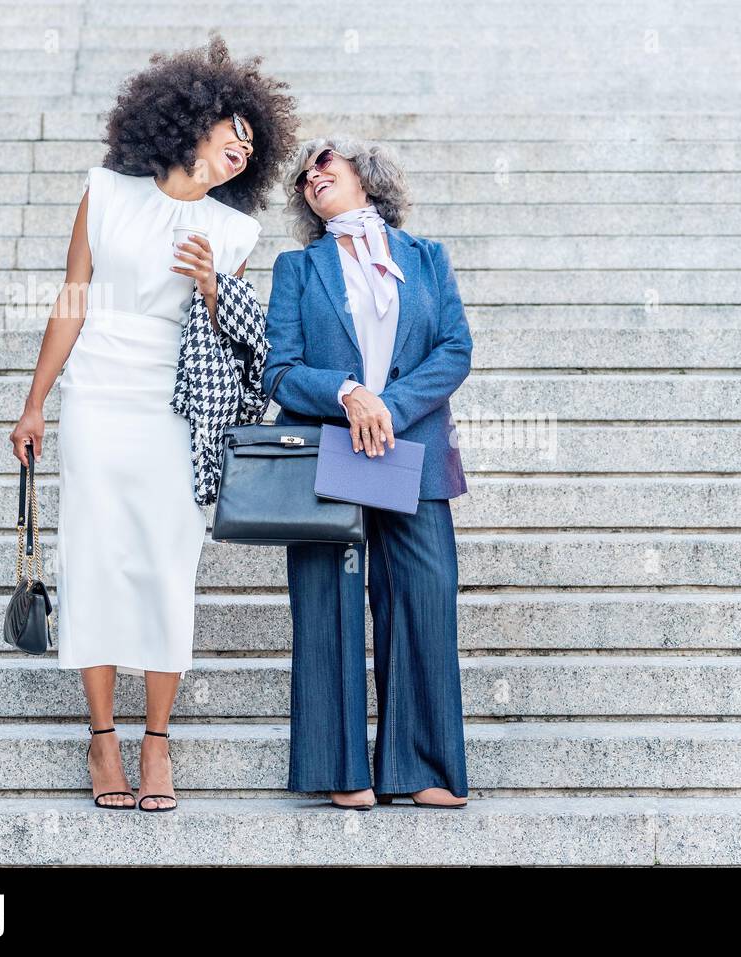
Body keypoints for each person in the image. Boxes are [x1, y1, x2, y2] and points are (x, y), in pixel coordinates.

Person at [8, 35, 299, 811]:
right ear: (189, 122)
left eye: (250, 147)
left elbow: (236, 340)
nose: (240, 150)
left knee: (167, 566)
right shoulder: (105, 193)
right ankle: (102, 737)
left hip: (173, 412)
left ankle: (156, 742)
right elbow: (73, 297)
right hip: (99, 396)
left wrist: (212, 287)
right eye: (230, 134)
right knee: (98, 559)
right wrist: (36, 400)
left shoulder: (232, 234)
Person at [263, 137, 473, 810]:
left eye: (324, 162)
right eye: (302, 177)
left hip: (411, 448)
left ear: (364, 173)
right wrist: (348, 393)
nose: (311, 177)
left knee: (425, 596)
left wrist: (390, 404)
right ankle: (340, 766)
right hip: (332, 450)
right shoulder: (298, 267)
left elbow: (454, 349)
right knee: (327, 601)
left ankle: (423, 766)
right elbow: (281, 371)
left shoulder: (425, 258)